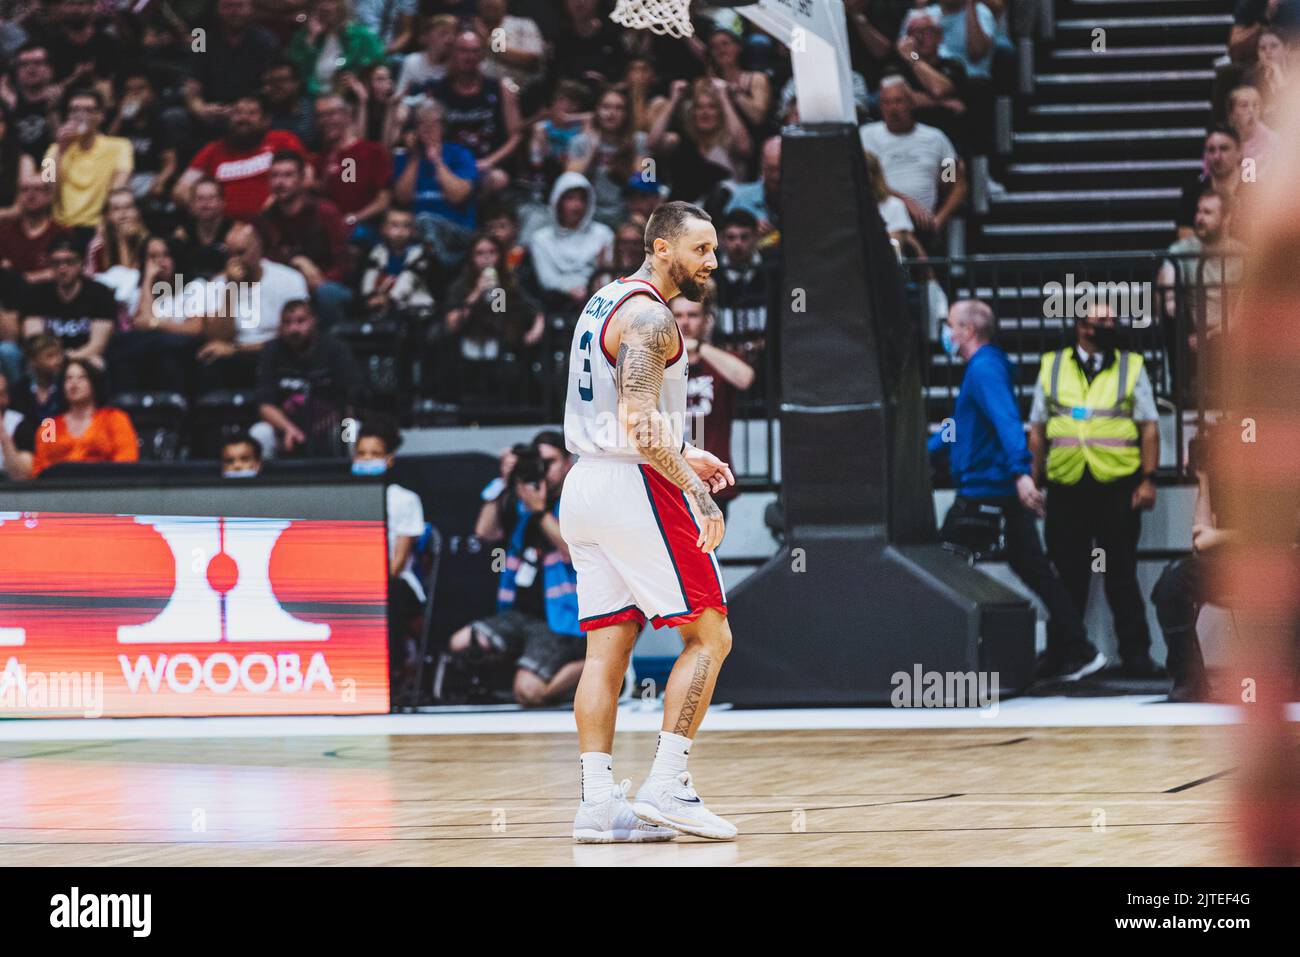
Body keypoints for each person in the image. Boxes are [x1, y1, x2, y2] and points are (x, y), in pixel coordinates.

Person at [560, 201, 737, 843]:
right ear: (662, 248)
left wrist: (685, 448)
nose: (712, 262)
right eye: (700, 250)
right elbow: (637, 423)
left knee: (606, 648)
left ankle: (598, 804)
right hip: (633, 486)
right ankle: (668, 785)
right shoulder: (652, 316)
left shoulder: (604, 300)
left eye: (714, 249)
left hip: (583, 484)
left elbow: (619, 413)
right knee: (710, 635)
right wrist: (696, 490)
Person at [932, 300, 1105, 681]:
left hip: (985, 491)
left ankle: (941, 658)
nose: (945, 333)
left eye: (949, 325)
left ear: (967, 330)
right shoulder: (981, 370)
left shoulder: (985, 369)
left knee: (942, 565)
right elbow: (960, 425)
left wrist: (1021, 471)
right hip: (993, 488)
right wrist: (924, 448)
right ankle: (1079, 650)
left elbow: (1008, 421)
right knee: (1035, 569)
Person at [1028, 305, 1164, 679]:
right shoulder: (1052, 366)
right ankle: (1062, 653)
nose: (1109, 325)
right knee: (1067, 574)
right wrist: (1034, 479)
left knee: (1120, 570)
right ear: (1080, 326)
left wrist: (1148, 479)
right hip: (1067, 484)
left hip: (1116, 486)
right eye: (1100, 321)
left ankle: (1136, 655)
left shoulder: (1130, 365)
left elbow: (1149, 426)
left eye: (1111, 320)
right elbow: (1037, 429)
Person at [452, 431, 584, 707]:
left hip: (562, 620)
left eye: (551, 462)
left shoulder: (577, 498)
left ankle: (599, 666)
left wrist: (539, 511)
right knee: (462, 642)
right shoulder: (521, 502)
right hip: (519, 614)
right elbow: (484, 531)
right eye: (539, 462)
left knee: (528, 693)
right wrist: (505, 481)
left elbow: (572, 553)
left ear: (568, 462)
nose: (544, 469)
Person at [352, 417, 427, 693]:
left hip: (396, 583)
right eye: (361, 453)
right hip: (352, 582)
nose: (366, 459)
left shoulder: (404, 499)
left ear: (389, 459)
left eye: (374, 454)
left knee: (390, 591)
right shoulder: (344, 498)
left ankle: (390, 675)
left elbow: (397, 565)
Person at [251, 298, 366, 458]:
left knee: (352, 429)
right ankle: (264, 482)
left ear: (313, 321)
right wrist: (288, 428)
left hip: (331, 425)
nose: (294, 328)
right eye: (287, 322)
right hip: (286, 427)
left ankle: (354, 479)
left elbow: (351, 398)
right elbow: (265, 406)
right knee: (260, 433)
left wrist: (339, 423)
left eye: (300, 321)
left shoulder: (335, 349)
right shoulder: (272, 351)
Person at [859, 79, 966, 250]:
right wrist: (906, 202)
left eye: (898, 101)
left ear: (911, 103)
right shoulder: (866, 136)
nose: (892, 108)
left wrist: (939, 219)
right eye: (886, 102)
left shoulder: (936, 138)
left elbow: (953, 182)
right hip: (883, 222)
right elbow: (863, 179)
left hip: (925, 225)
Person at [674, 293, 753, 522]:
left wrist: (699, 347)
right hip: (670, 479)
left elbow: (745, 378)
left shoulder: (719, 359)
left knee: (706, 555)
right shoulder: (658, 362)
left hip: (711, 479)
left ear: (706, 320)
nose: (685, 322)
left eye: (692, 315)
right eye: (677, 315)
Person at [173, 95, 309, 223]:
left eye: (251, 113)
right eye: (237, 112)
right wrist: (206, 213)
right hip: (225, 229)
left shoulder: (282, 140)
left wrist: (275, 206)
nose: (243, 118)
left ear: (266, 120)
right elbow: (181, 190)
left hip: (275, 222)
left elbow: (307, 178)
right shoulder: (213, 151)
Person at [256, 151, 353, 328]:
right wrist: (297, 264)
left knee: (328, 294)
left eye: (288, 175)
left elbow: (344, 266)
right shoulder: (266, 218)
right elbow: (264, 262)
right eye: (275, 176)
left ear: (302, 179)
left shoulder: (325, 212)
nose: (280, 182)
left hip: (325, 287)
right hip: (285, 287)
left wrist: (318, 279)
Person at [24, 357, 139, 478]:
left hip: (104, 488)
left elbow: (127, 462)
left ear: (93, 382)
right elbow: (40, 469)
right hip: (60, 490)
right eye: (68, 379)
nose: (74, 383)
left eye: (82, 377)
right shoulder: (49, 426)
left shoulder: (114, 418)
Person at [43, 87, 133, 234]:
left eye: (88, 110)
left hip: (99, 227)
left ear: (101, 116)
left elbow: (119, 187)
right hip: (60, 227)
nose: (80, 115)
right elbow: (46, 189)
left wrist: (106, 221)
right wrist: (61, 150)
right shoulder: (54, 149)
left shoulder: (120, 145)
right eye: (74, 110)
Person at [21, 235, 115, 369]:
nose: (62, 269)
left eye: (69, 262)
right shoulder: (37, 293)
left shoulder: (100, 294)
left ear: (81, 263)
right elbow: (35, 342)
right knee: (31, 364)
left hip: (84, 360)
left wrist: (66, 359)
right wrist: (52, 361)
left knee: (97, 363)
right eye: (56, 262)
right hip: (47, 362)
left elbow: (97, 345)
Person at [526, 171, 613, 313]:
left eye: (582, 199)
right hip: (557, 306)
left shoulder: (603, 234)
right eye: (570, 199)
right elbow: (547, 279)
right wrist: (570, 290)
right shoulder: (541, 239)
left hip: (600, 304)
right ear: (557, 201)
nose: (576, 205)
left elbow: (608, 275)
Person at [286, 0, 385, 97]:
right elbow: (296, 74)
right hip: (312, 100)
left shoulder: (362, 37)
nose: (325, 6)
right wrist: (311, 41)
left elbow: (380, 69)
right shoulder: (304, 37)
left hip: (350, 100)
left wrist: (359, 81)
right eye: (319, 1)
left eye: (331, 1)